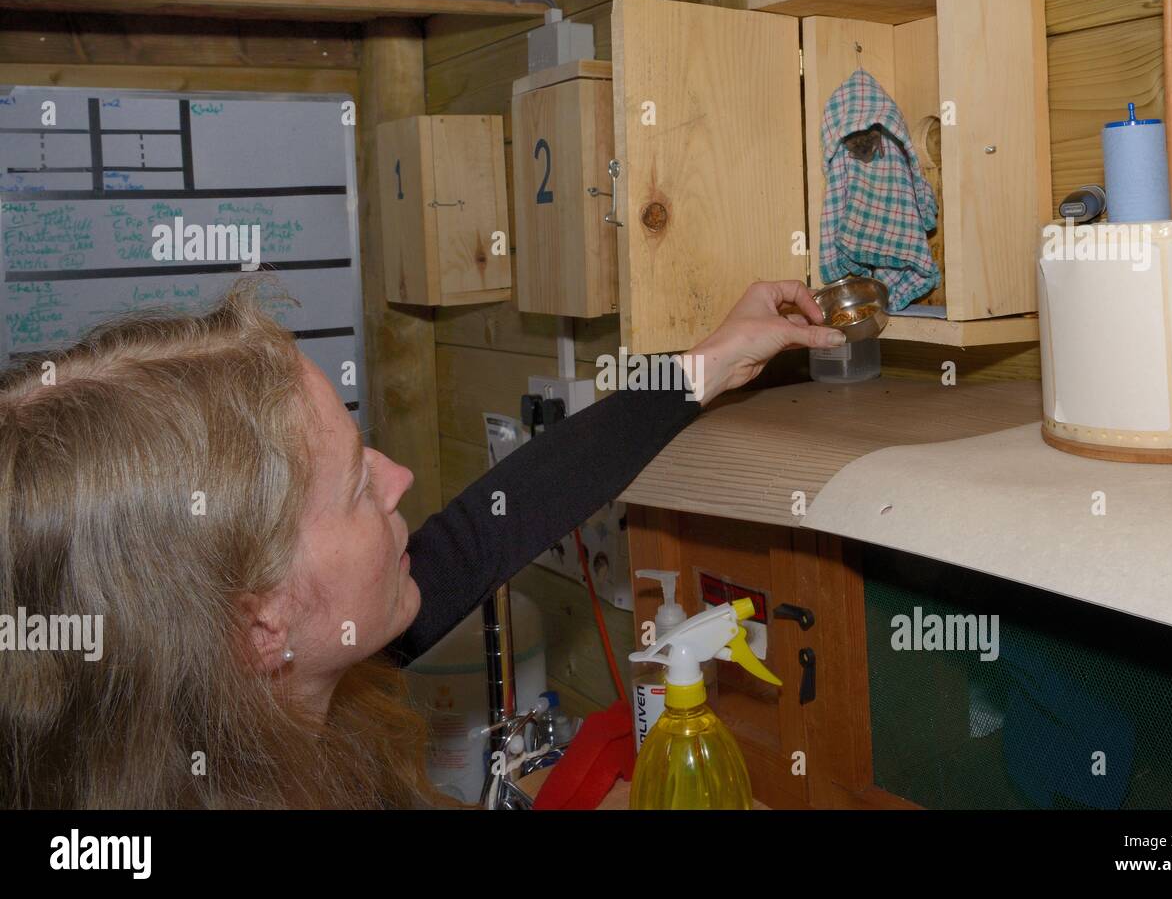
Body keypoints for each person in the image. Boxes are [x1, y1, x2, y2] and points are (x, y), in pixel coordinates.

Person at [0, 277, 845, 808]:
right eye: (358, 489)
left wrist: (699, 367)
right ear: (260, 625)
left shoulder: (251, 692)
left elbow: (489, 529)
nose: (400, 478)